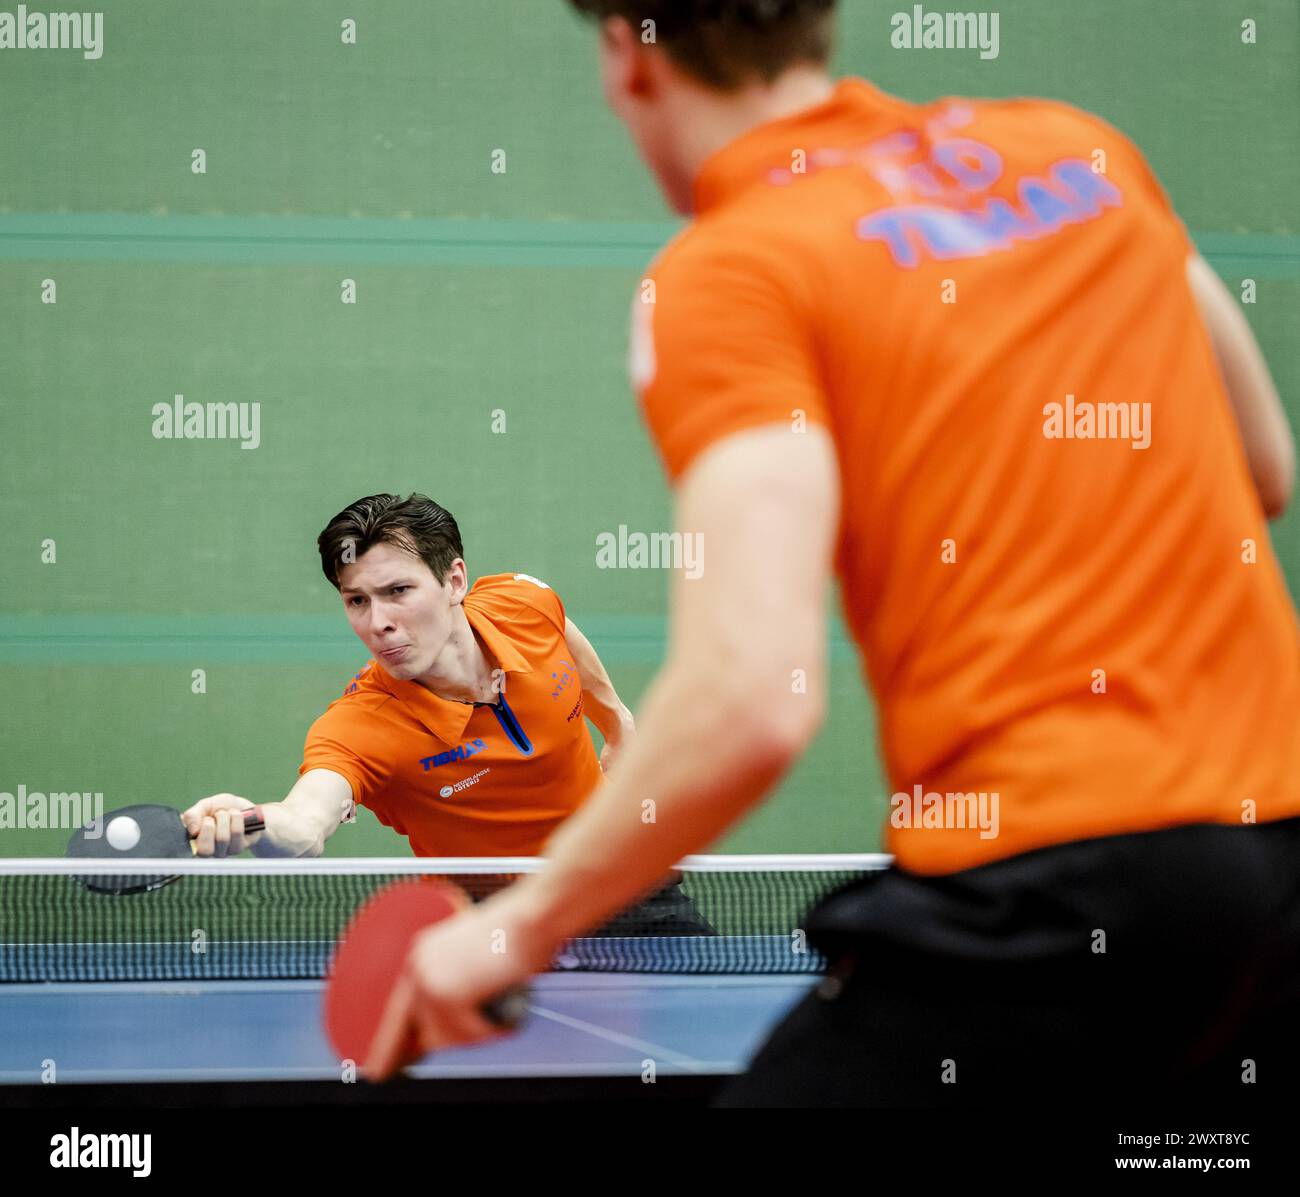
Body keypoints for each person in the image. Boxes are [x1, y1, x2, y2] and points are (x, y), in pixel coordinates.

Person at [364, 0, 1300, 1106]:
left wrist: (516, 928)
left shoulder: (733, 271)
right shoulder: (1080, 151)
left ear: (627, 52)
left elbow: (750, 697)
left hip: (1054, 879)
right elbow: (1262, 461)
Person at [181, 492, 709, 934]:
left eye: (397, 591)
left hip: (627, 883)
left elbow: (563, 636)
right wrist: (255, 823)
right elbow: (304, 827)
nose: (378, 622)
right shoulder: (358, 727)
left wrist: (617, 722)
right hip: (497, 927)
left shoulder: (521, 603)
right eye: (357, 601)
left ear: (455, 581)